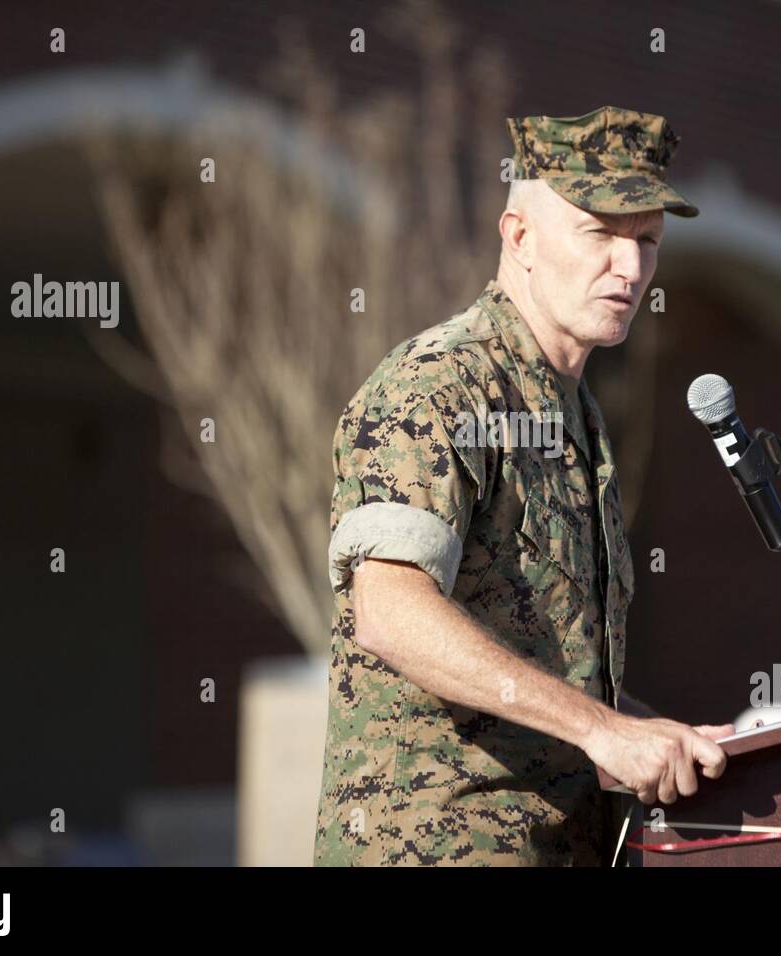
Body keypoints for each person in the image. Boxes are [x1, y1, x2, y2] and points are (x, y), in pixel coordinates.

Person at [314, 106, 737, 866]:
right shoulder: (440, 383)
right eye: (600, 234)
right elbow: (388, 609)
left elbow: (556, 678)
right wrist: (603, 729)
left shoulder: (575, 414)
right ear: (520, 238)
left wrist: (656, 735)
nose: (631, 268)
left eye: (647, 242)